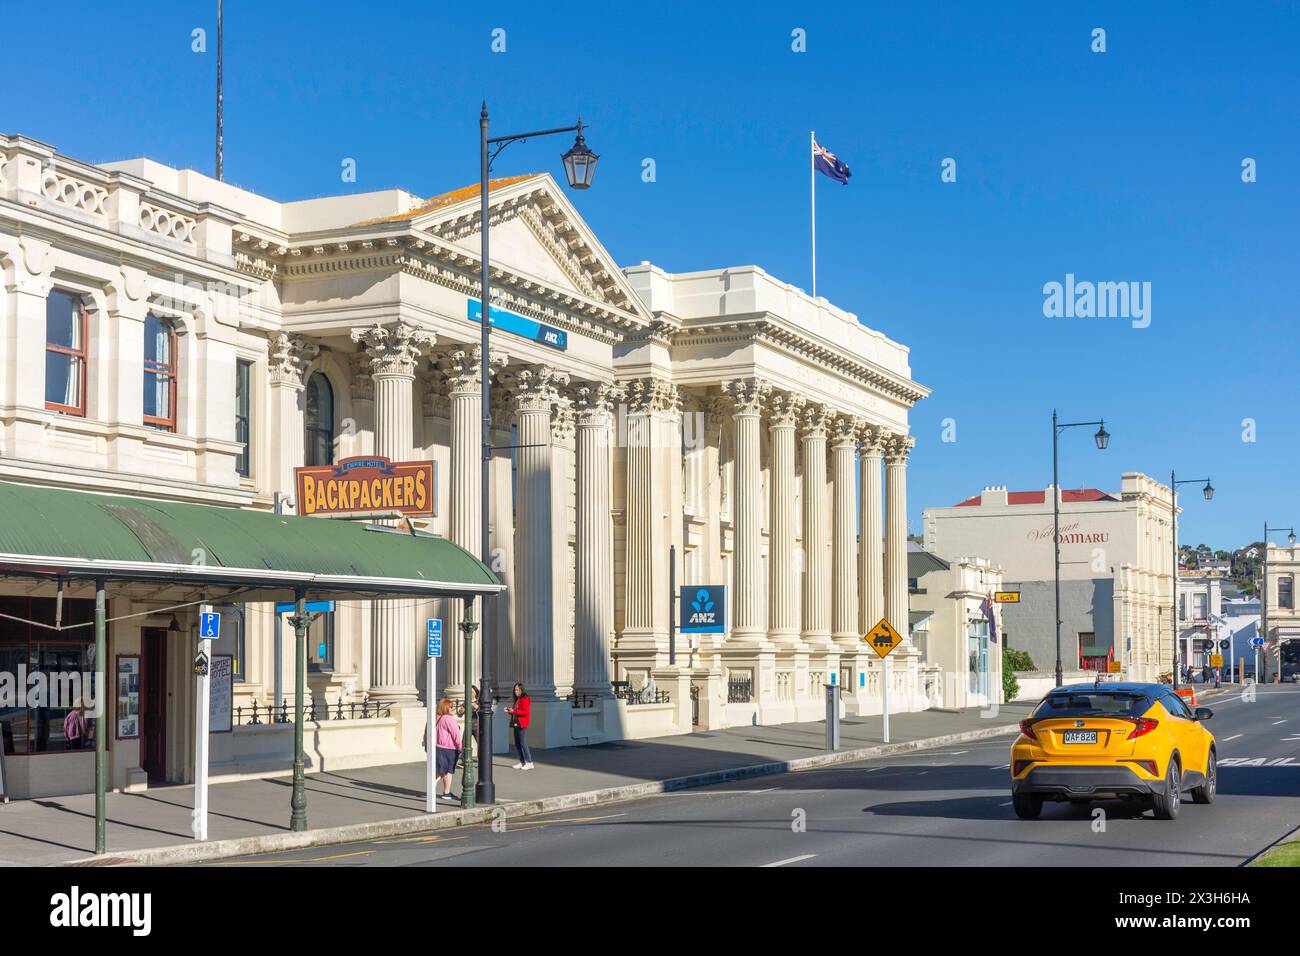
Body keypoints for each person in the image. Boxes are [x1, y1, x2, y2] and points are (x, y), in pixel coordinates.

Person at [434, 697, 462, 802]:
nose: (452, 709)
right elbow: (456, 735)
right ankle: (435, 787)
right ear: (446, 708)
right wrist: (460, 747)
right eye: (450, 707)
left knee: (442, 771)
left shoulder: (438, 718)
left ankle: (447, 792)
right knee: (447, 771)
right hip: (449, 748)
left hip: (439, 747)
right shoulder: (449, 719)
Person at [504, 682, 534, 770]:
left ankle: (529, 762)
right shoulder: (518, 700)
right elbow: (516, 712)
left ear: (522, 690)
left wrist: (513, 711)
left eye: (517, 690)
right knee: (517, 744)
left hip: (522, 724)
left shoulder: (525, 699)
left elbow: (525, 712)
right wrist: (510, 711)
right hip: (516, 723)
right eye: (515, 690)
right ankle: (522, 762)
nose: (516, 692)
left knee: (523, 743)